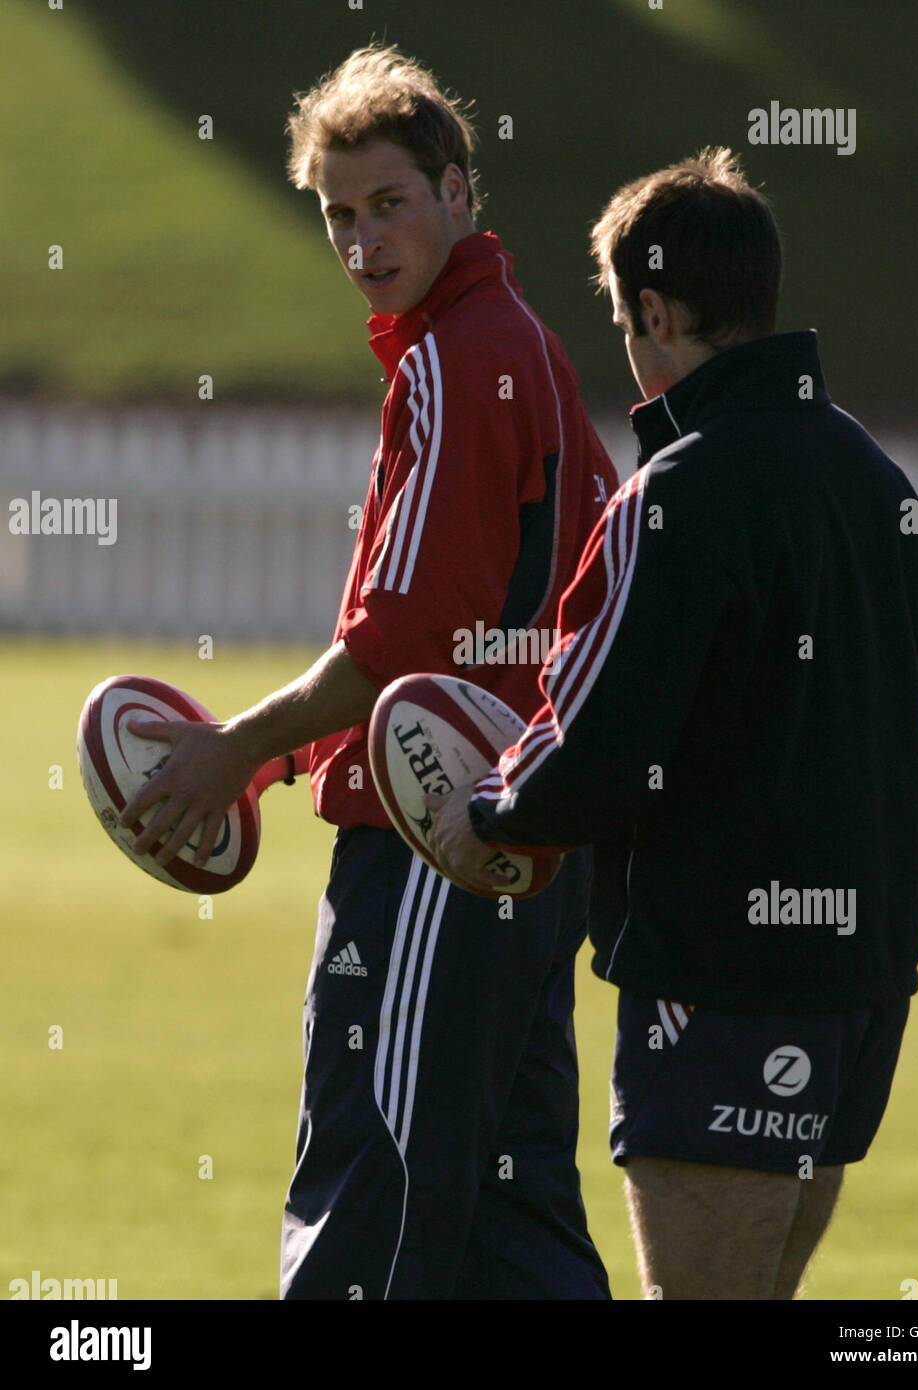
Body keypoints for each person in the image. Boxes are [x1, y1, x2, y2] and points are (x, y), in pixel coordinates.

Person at [120, 44, 617, 1300]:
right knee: (515, 1210)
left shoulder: (459, 359)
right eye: (337, 214)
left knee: (371, 1176)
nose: (360, 239)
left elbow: (403, 637)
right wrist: (290, 750)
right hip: (524, 829)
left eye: (388, 203)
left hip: (436, 838)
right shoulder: (518, 347)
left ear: (458, 191)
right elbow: (516, 613)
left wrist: (240, 746)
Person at [426, 147, 918, 1300]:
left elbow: (604, 743)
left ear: (654, 309)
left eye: (623, 317)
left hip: (721, 975)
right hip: (863, 973)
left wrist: (490, 813)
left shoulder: (676, 493)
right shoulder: (877, 479)